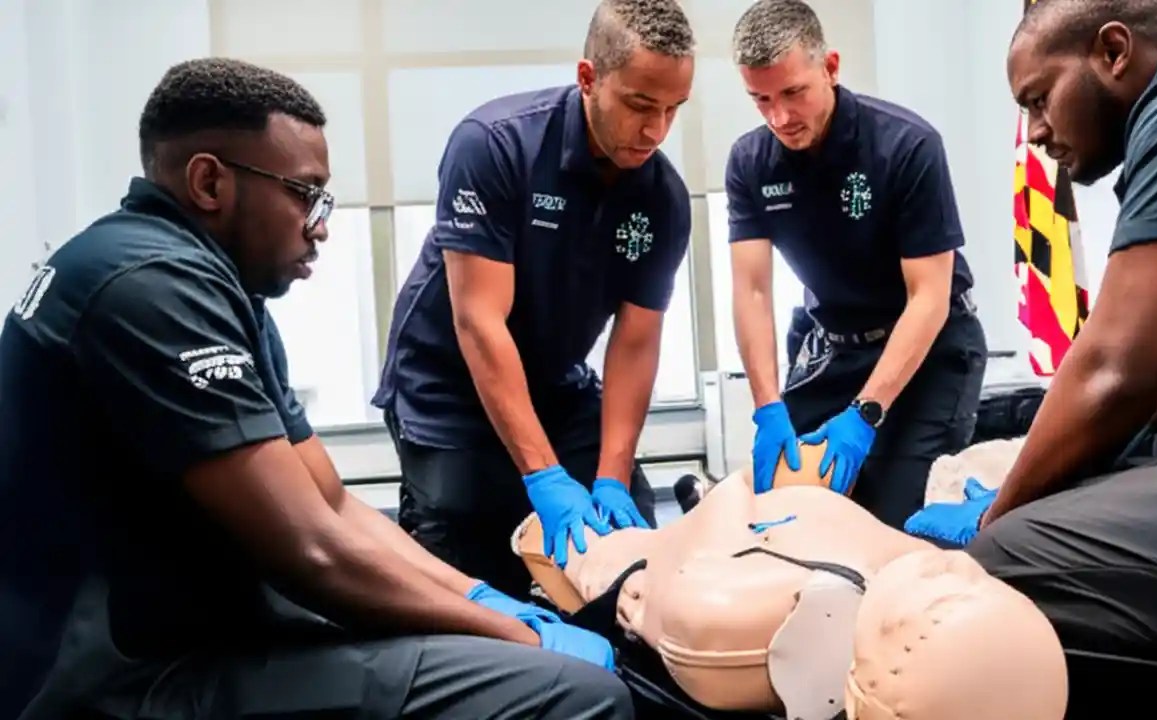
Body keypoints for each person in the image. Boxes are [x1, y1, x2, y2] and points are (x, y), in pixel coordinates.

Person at [0, 57, 633, 720]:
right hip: (133, 680)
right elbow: (314, 550)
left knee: (488, 646)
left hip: (198, 627)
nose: (321, 224)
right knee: (579, 695)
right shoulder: (148, 290)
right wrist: (522, 636)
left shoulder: (203, 284)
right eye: (306, 194)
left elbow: (331, 503)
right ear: (209, 181)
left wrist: (478, 596)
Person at [905, 0, 1157, 712]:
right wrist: (1050, 479)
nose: (1035, 131)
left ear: (1113, 52)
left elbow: (1115, 373)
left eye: (1039, 99)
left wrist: (995, 520)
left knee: (1002, 568)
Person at [374, 0, 695, 598]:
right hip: (448, 387)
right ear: (588, 78)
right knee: (470, 554)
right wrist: (545, 475)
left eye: (674, 109)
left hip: (555, 381)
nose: (656, 131)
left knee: (625, 543)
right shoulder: (494, 146)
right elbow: (479, 321)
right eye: (639, 105)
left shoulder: (664, 198)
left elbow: (635, 341)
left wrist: (612, 475)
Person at [509, 444, 1069, 720]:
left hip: (665, 561)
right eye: (965, 576)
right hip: (783, 530)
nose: (957, 569)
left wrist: (739, 499)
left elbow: (729, 499)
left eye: (950, 582)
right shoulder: (921, 573)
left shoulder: (722, 620)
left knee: (590, 551)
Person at [723, 0, 989, 529]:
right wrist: (767, 407)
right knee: (784, 510)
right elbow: (752, 291)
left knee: (893, 521)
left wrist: (866, 413)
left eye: (793, 93)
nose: (779, 117)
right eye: (761, 100)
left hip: (930, 345)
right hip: (836, 347)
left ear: (831, 67)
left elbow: (928, 296)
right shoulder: (749, 162)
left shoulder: (906, 146)